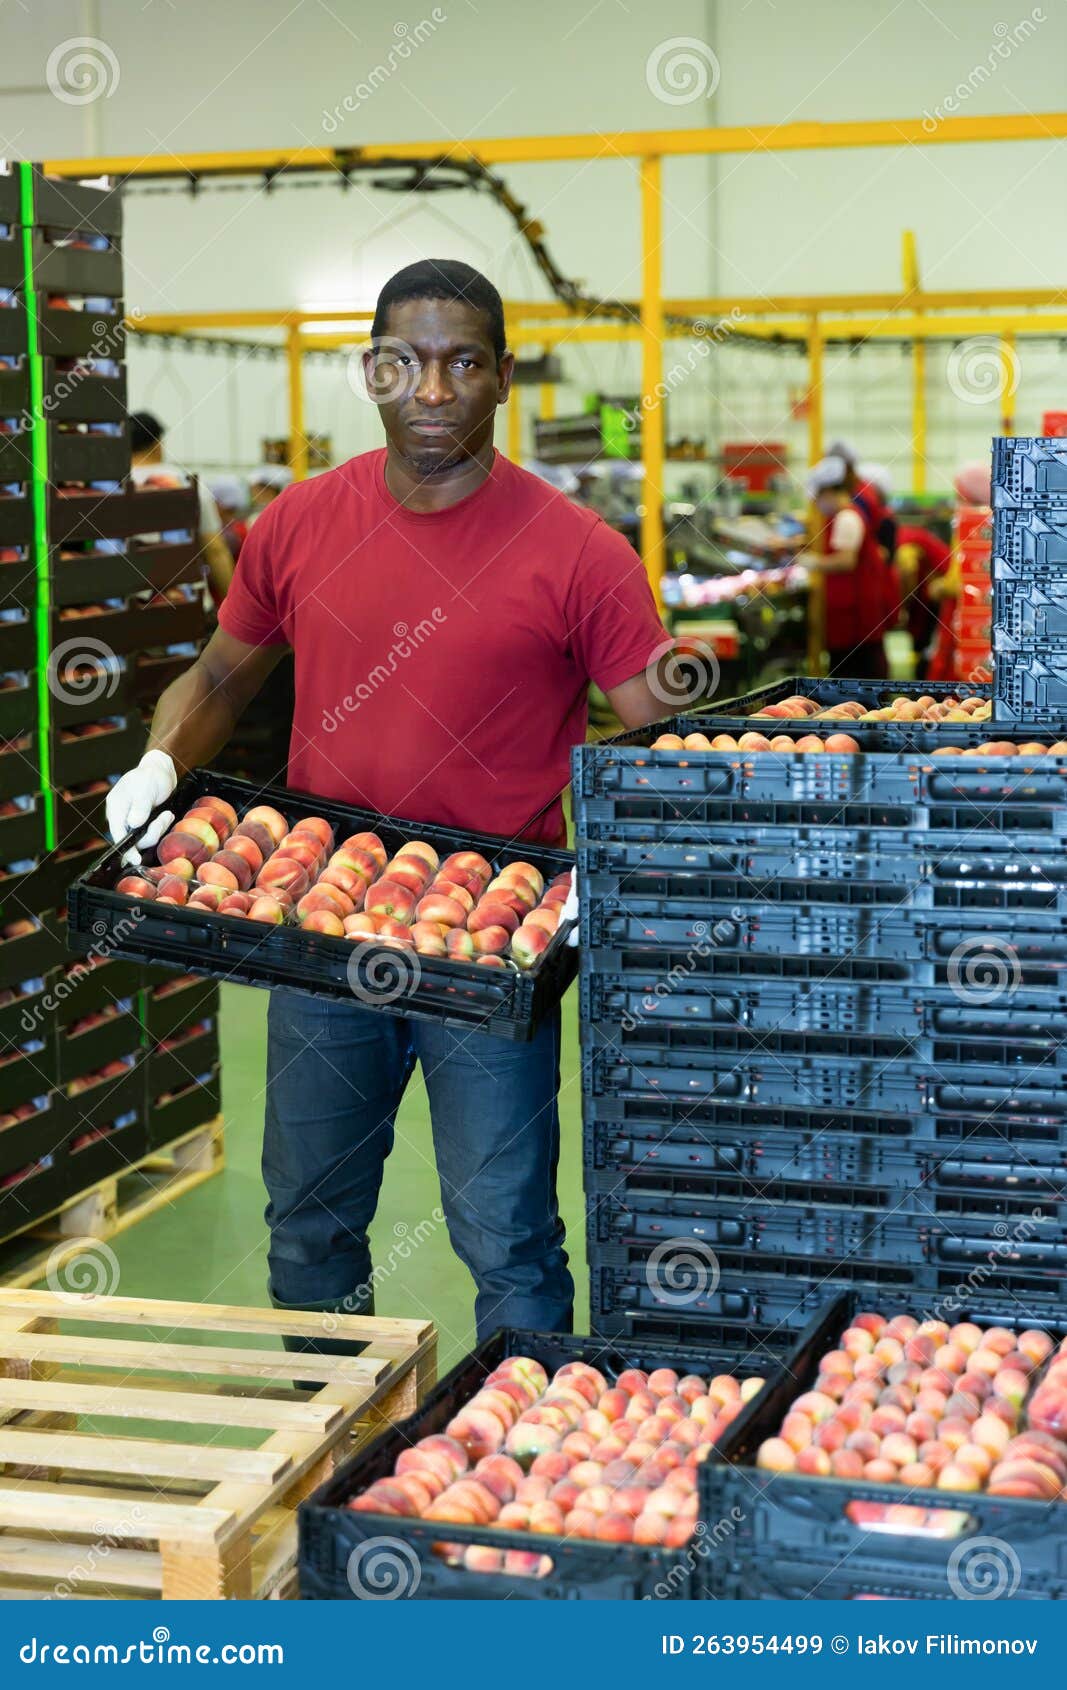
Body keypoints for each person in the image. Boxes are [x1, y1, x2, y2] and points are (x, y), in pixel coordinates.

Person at [106, 258, 669, 1352]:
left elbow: (655, 740)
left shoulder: (580, 555)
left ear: (504, 376)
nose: (431, 388)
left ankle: (523, 1463)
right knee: (309, 1223)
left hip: (492, 943)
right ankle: (339, 1447)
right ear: (369, 371)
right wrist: (159, 765)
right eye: (404, 361)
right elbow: (222, 678)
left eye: (462, 362)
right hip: (318, 925)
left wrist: (617, 857)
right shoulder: (301, 523)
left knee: (503, 1231)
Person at [129, 412, 235, 606]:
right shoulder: (186, 483)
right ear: (157, 443)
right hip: (186, 604)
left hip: (127, 606)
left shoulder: (109, 486)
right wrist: (234, 606)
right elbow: (214, 549)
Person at [799, 454, 891, 676]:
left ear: (829, 493)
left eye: (818, 498)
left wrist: (812, 563)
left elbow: (845, 560)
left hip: (855, 614)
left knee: (854, 669)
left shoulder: (847, 518)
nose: (818, 505)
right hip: (850, 610)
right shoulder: (845, 516)